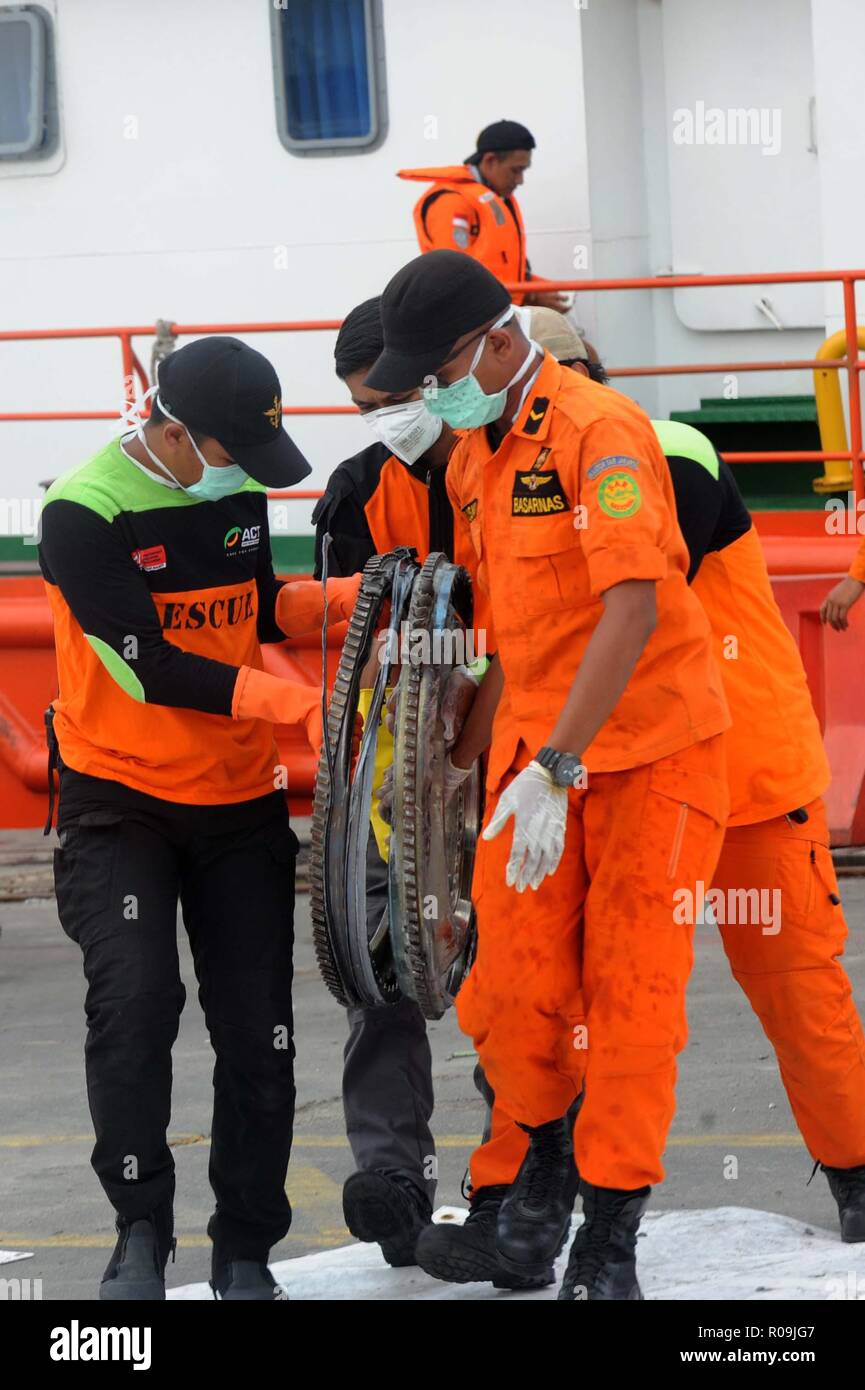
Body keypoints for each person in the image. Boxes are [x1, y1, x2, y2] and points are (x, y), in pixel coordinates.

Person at [419, 314, 865, 1292]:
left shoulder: (658, 447)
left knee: (792, 986)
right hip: (591, 771)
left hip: (731, 768)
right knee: (533, 982)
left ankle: (855, 1168)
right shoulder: (489, 458)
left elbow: (623, 597)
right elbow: (525, 630)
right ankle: (515, 1203)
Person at [365, 251, 731, 1301]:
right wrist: (460, 752)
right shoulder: (477, 451)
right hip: (538, 760)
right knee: (511, 989)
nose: (429, 395)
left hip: (650, 753)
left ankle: (606, 1238)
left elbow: (633, 607)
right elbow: (504, 629)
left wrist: (564, 763)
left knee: (631, 997)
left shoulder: (597, 432)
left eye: (436, 371)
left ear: (493, 339)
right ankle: (542, 1172)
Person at [39, 336, 361, 1301]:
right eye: (226, 451)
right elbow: (149, 664)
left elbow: (260, 610)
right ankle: (140, 1228)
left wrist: (362, 598)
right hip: (121, 800)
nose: (238, 473)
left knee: (259, 1031)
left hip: (237, 803)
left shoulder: (231, 486)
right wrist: (302, 708)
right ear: (171, 433)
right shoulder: (80, 512)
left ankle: (244, 1247)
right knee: (134, 1010)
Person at [311, 299, 549, 1287]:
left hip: (510, 756)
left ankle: (522, 1174)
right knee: (381, 958)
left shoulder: (500, 465)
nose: (384, 417)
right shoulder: (358, 489)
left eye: (392, 398)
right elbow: (342, 626)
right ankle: (391, 1173)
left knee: (517, 977)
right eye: (364, 406)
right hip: (396, 767)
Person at [398, 119, 568, 309]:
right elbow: (452, 275)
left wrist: (540, 289)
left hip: (499, 311)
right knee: (561, 336)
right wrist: (531, 296)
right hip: (475, 319)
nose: (520, 180)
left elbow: (500, 270)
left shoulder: (491, 198)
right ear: (490, 161)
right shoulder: (452, 202)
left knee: (563, 335)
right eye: (516, 170)